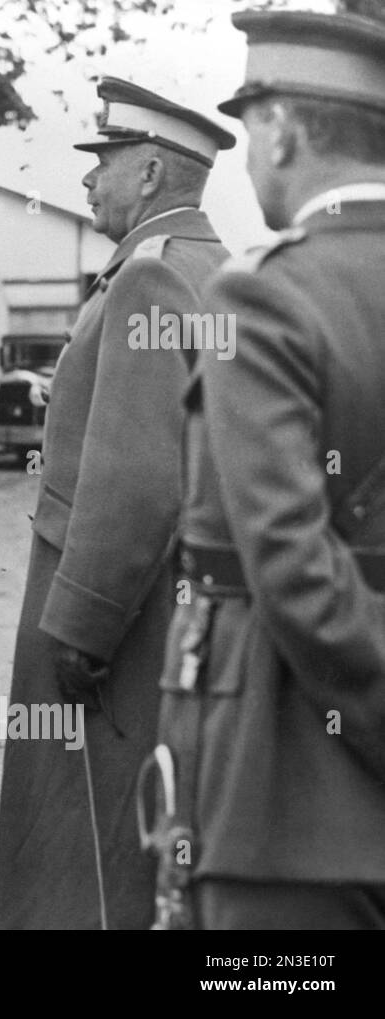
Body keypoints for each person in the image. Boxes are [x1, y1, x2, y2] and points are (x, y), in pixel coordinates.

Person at [155, 8, 385, 929]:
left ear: (284, 129)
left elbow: (292, 568)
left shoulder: (264, 294)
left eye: (253, 134)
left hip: (286, 797)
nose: (252, 163)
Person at [0, 78, 235, 929]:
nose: (88, 180)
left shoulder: (149, 281)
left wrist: (82, 624)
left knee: (89, 854)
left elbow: (136, 477)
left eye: (106, 160)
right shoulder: (219, 269)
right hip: (183, 603)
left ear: (156, 171)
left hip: (121, 619)